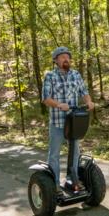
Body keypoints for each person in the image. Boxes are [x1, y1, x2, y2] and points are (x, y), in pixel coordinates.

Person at [42, 47, 94, 192]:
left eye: (67, 57)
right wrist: (59, 105)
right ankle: (55, 184)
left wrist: (89, 101)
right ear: (56, 60)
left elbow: (84, 92)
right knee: (54, 155)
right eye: (62, 57)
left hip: (74, 122)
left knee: (75, 153)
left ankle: (73, 181)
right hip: (57, 123)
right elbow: (46, 99)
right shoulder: (50, 76)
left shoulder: (76, 75)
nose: (66, 59)